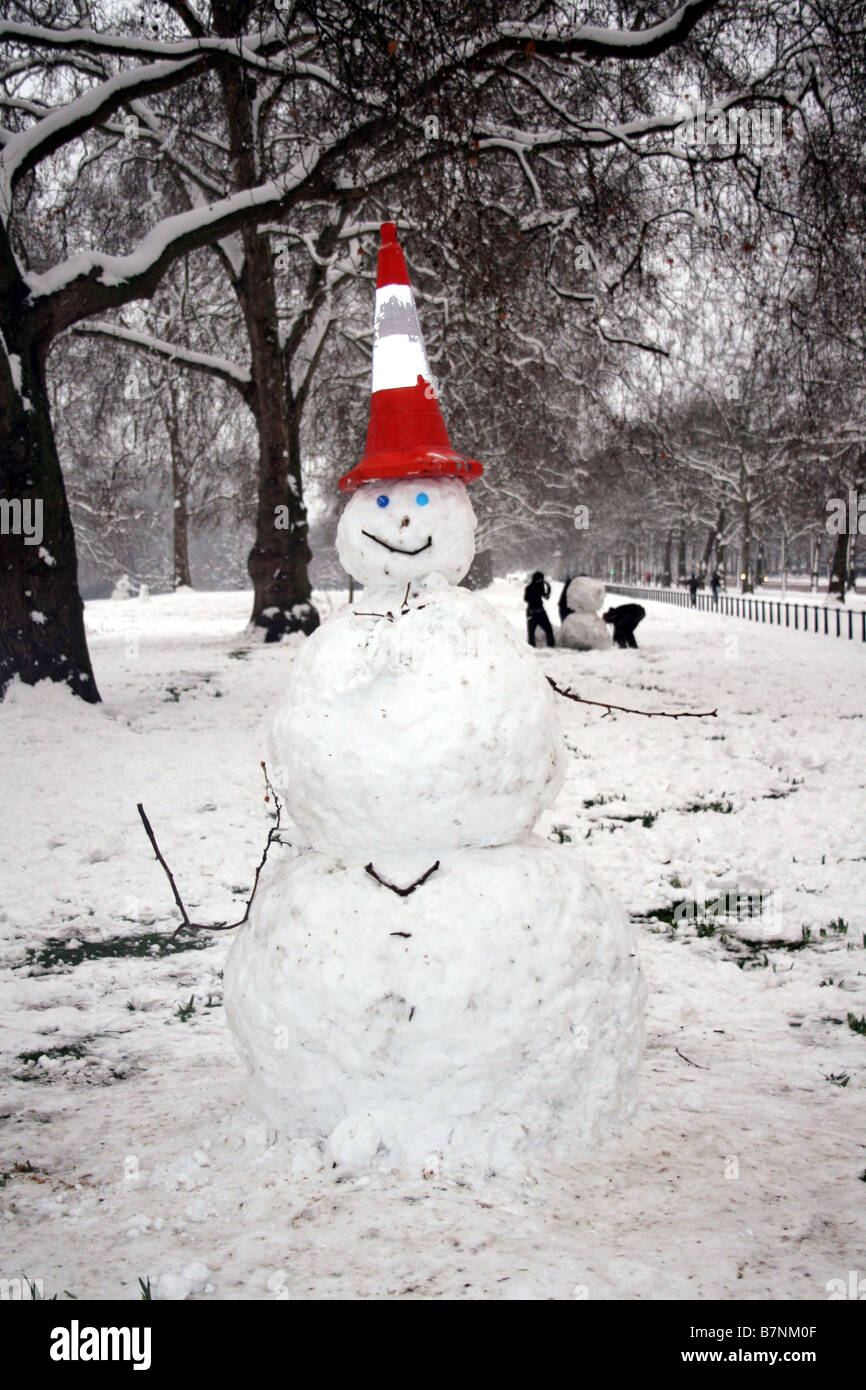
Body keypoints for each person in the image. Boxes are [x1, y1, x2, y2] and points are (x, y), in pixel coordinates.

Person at [524, 570, 555, 647]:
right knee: (531, 633)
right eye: (540, 579)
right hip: (533, 612)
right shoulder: (529, 588)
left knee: (548, 629)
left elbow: (546, 597)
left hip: (538, 612)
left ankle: (551, 646)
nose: (541, 581)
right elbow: (526, 599)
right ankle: (531, 649)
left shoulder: (539, 586)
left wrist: (548, 588)